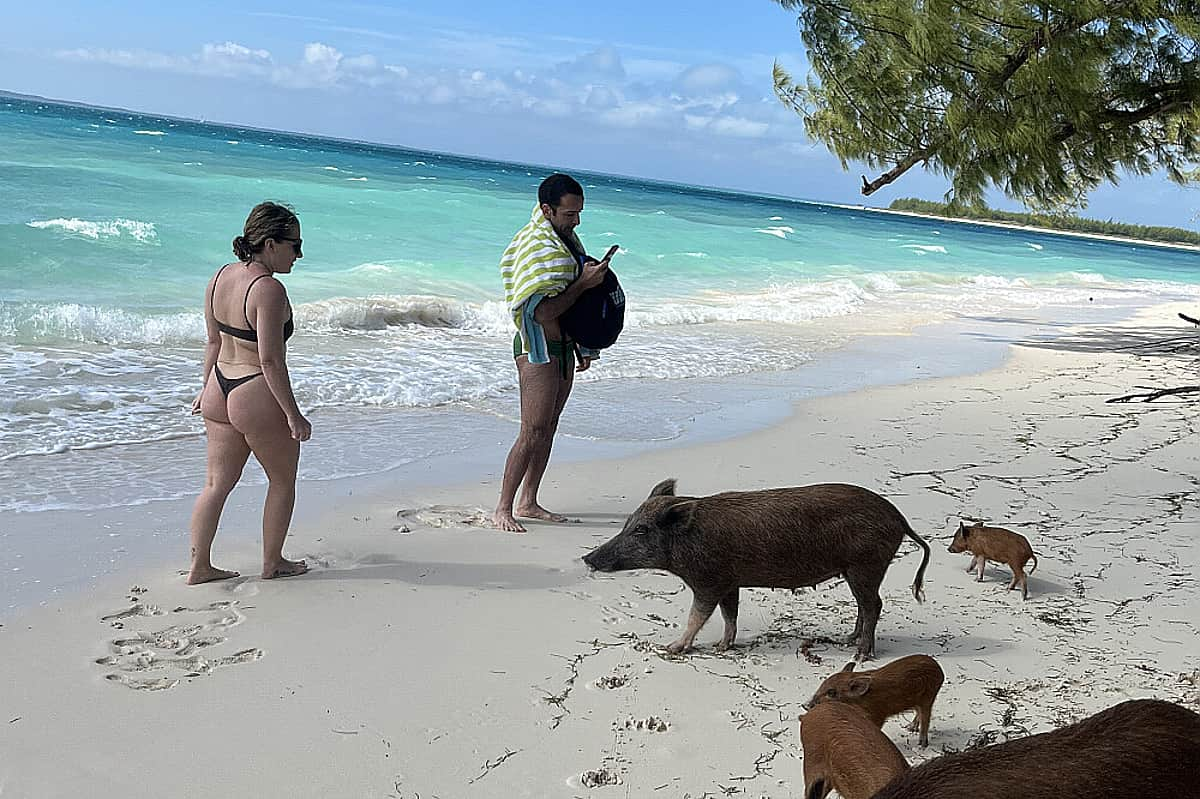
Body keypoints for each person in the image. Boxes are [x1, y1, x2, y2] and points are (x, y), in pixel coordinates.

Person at [187, 201, 311, 583]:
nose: (300, 254)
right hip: (254, 390)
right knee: (282, 480)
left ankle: (200, 566)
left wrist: (203, 387)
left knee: (215, 484)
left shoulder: (220, 277)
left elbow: (212, 341)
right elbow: (271, 360)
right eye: (295, 244)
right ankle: (273, 562)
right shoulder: (268, 289)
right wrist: (294, 414)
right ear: (270, 244)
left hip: (218, 388)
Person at [492, 174, 611, 532]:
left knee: (550, 428)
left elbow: (570, 305)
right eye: (570, 213)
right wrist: (583, 283)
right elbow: (542, 311)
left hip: (562, 345)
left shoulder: (565, 240)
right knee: (532, 430)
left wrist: (582, 344)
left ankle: (529, 501)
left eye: (579, 213)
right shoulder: (537, 245)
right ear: (547, 209)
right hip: (536, 347)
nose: (576, 221)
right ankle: (502, 508)